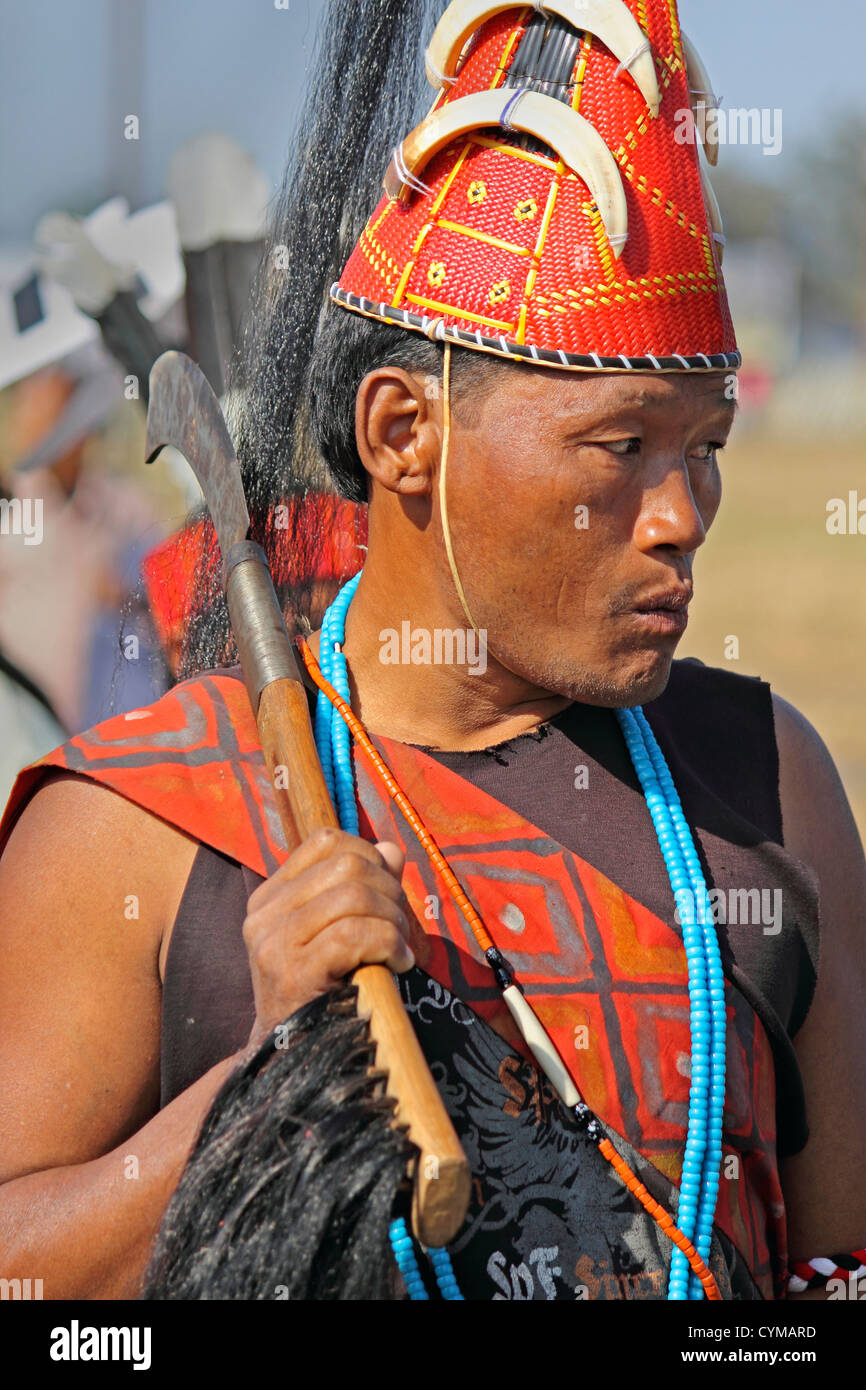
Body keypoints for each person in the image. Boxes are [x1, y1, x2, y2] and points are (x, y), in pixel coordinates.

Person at [1, 0, 864, 1302]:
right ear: (404, 432)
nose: (681, 517)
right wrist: (259, 1095)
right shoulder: (137, 823)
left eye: (705, 450)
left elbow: (837, 1263)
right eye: (621, 447)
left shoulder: (766, 780)